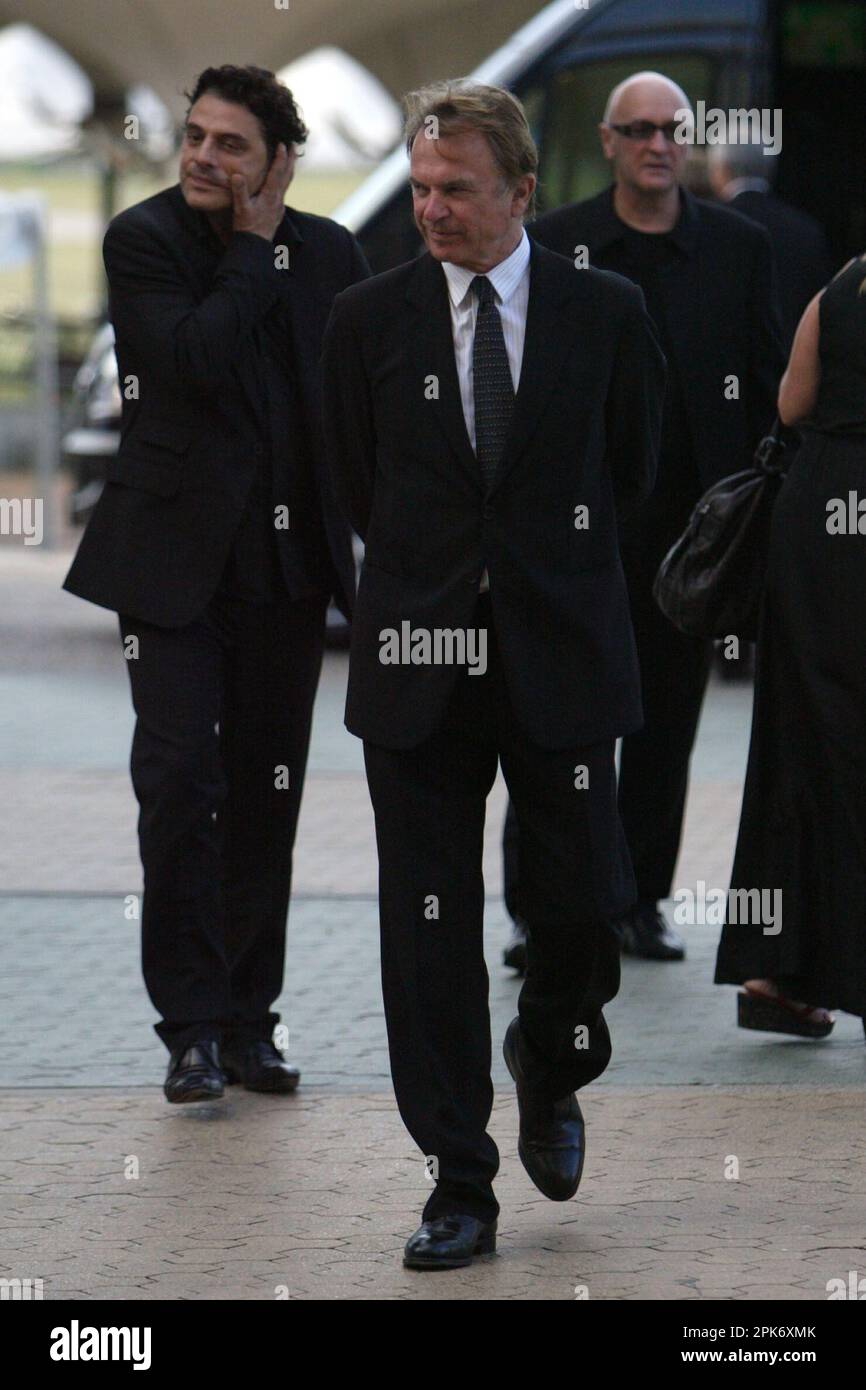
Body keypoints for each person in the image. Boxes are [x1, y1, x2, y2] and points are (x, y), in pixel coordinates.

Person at [322, 80, 664, 1270]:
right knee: (425, 927)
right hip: (419, 663)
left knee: (579, 898)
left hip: (559, 654)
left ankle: (551, 1054)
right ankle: (456, 1181)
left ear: (520, 191)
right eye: (418, 189)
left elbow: (632, 471)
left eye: (454, 189)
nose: (431, 211)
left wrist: (540, 574)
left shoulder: (602, 309)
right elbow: (353, 483)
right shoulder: (367, 321)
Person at [64, 65, 369, 1104]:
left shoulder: (331, 253)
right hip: (170, 573)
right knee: (180, 785)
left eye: (229, 144)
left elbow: (351, 408)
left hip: (285, 574)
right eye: (195, 135)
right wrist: (249, 245)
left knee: (264, 798)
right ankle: (189, 1026)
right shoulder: (143, 241)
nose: (201, 155)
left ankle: (249, 1020)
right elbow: (190, 361)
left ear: (278, 161)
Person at [501, 71, 784, 971]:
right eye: (640, 130)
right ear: (610, 140)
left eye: (674, 129)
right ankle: (543, 909)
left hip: (691, 536)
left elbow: (772, 377)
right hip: (580, 526)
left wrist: (756, 501)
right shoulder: (557, 244)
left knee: (666, 725)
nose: (659, 144)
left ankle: (643, 903)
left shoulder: (739, 249)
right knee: (556, 722)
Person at [715, 254, 866, 1037]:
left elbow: (791, 401)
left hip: (818, 519)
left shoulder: (841, 286)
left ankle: (774, 971)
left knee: (798, 742)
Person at [708, 139, 833, 356]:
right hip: (790, 361)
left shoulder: (706, 226)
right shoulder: (806, 230)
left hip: (725, 366)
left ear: (722, 169)